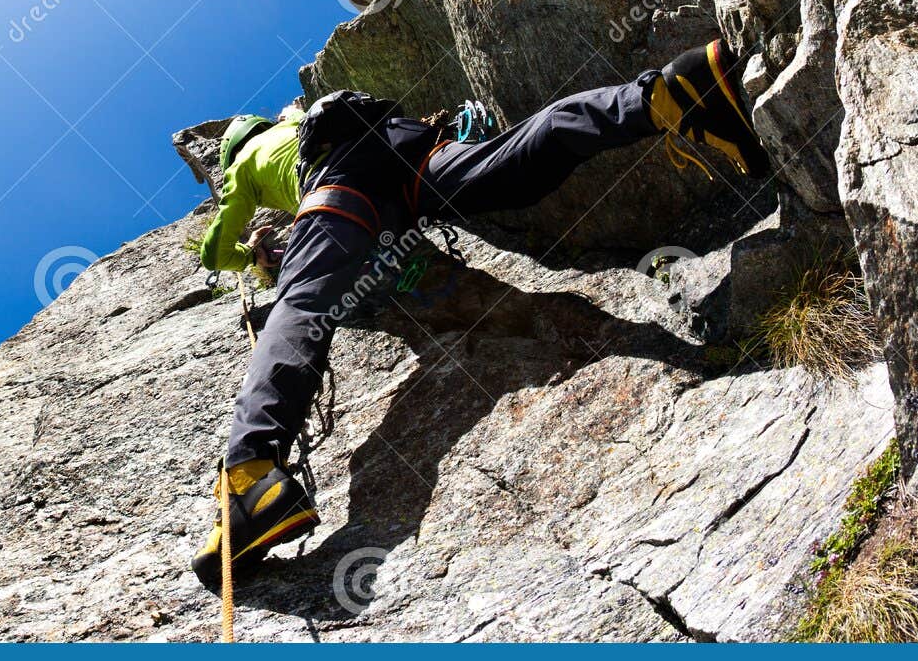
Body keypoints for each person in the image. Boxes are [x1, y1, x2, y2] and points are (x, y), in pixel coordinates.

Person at [190, 39, 769, 588]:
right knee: (509, 168)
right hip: (404, 145)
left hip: (344, 185)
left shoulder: (244, 165)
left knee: (302, 305)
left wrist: (252, 253)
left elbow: (214, 249)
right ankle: (666, 94)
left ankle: (249, 476)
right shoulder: (295, 123)